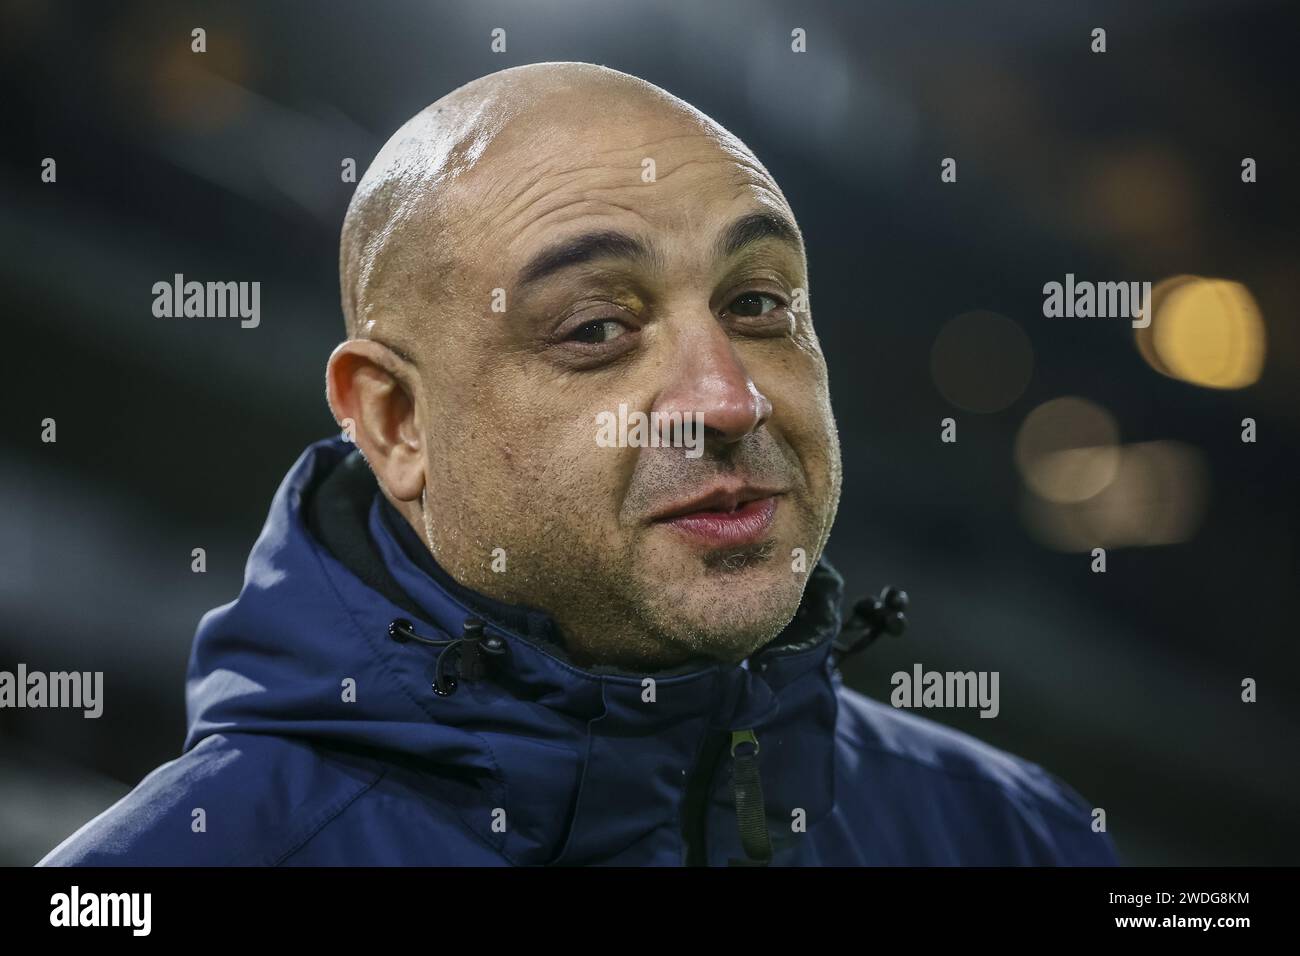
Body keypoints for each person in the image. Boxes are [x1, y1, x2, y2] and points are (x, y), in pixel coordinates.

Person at [40, 62, 1118, 866]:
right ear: (397, 419)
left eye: (757, 305)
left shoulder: (1019, 834)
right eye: (597, 327)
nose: (729, 397)